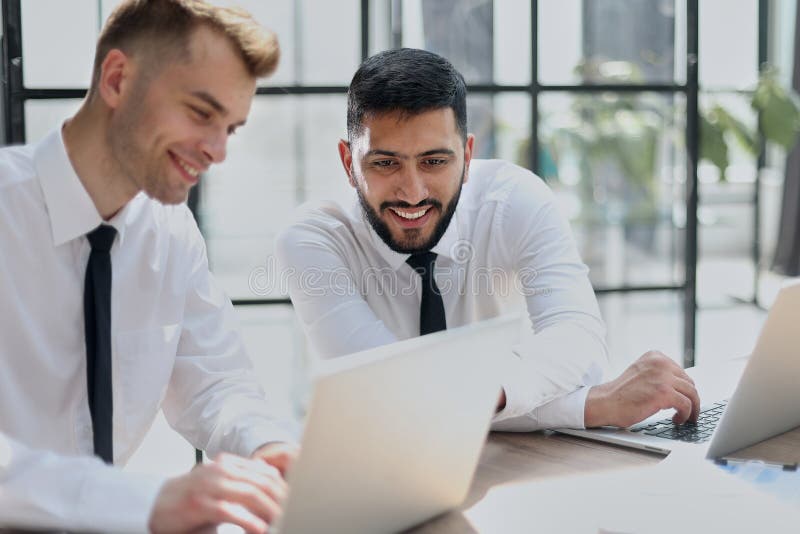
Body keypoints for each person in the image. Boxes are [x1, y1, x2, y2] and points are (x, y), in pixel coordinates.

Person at [275, 48, 701, 433]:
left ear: (467, 157)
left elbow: (577, 341)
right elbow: (396, 397)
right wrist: (590, 407)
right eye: (385, 163)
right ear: (349, 163)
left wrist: (488, 395)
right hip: (376, 464)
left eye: (435, 161)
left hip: (516, 461)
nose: (413, 191)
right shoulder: (314, 239)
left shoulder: (515, 199)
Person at [0, 1, 297, 532]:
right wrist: (145, 501)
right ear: (116, 80)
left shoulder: (169, 231)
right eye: (202, 113)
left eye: (231, 127)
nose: (218, 152)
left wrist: (267, 446)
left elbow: (214, 382)